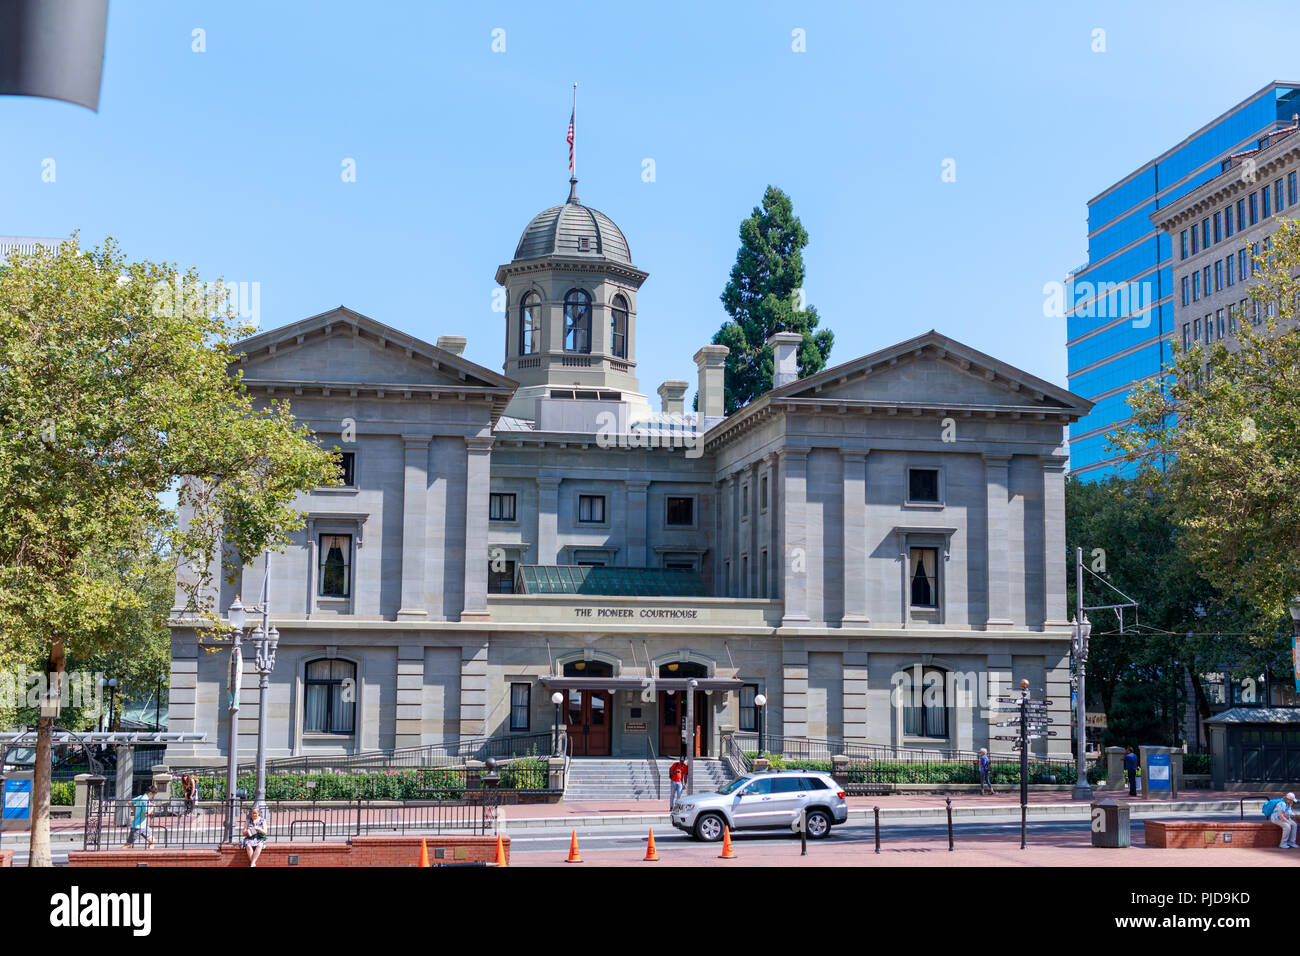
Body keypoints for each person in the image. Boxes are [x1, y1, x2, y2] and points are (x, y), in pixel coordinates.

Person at [123, 785, 157, 850]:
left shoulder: (141, 797)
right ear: (150, 793)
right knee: (128, 845)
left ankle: (149, 856)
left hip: (143, 825)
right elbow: (146, 814)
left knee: (152, 841)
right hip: (137, 826)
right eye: (153, 795)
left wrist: (135, 811)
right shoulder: (145, 800)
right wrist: (153, 807)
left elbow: (130, 802)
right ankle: (115, 857)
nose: (153, 797)